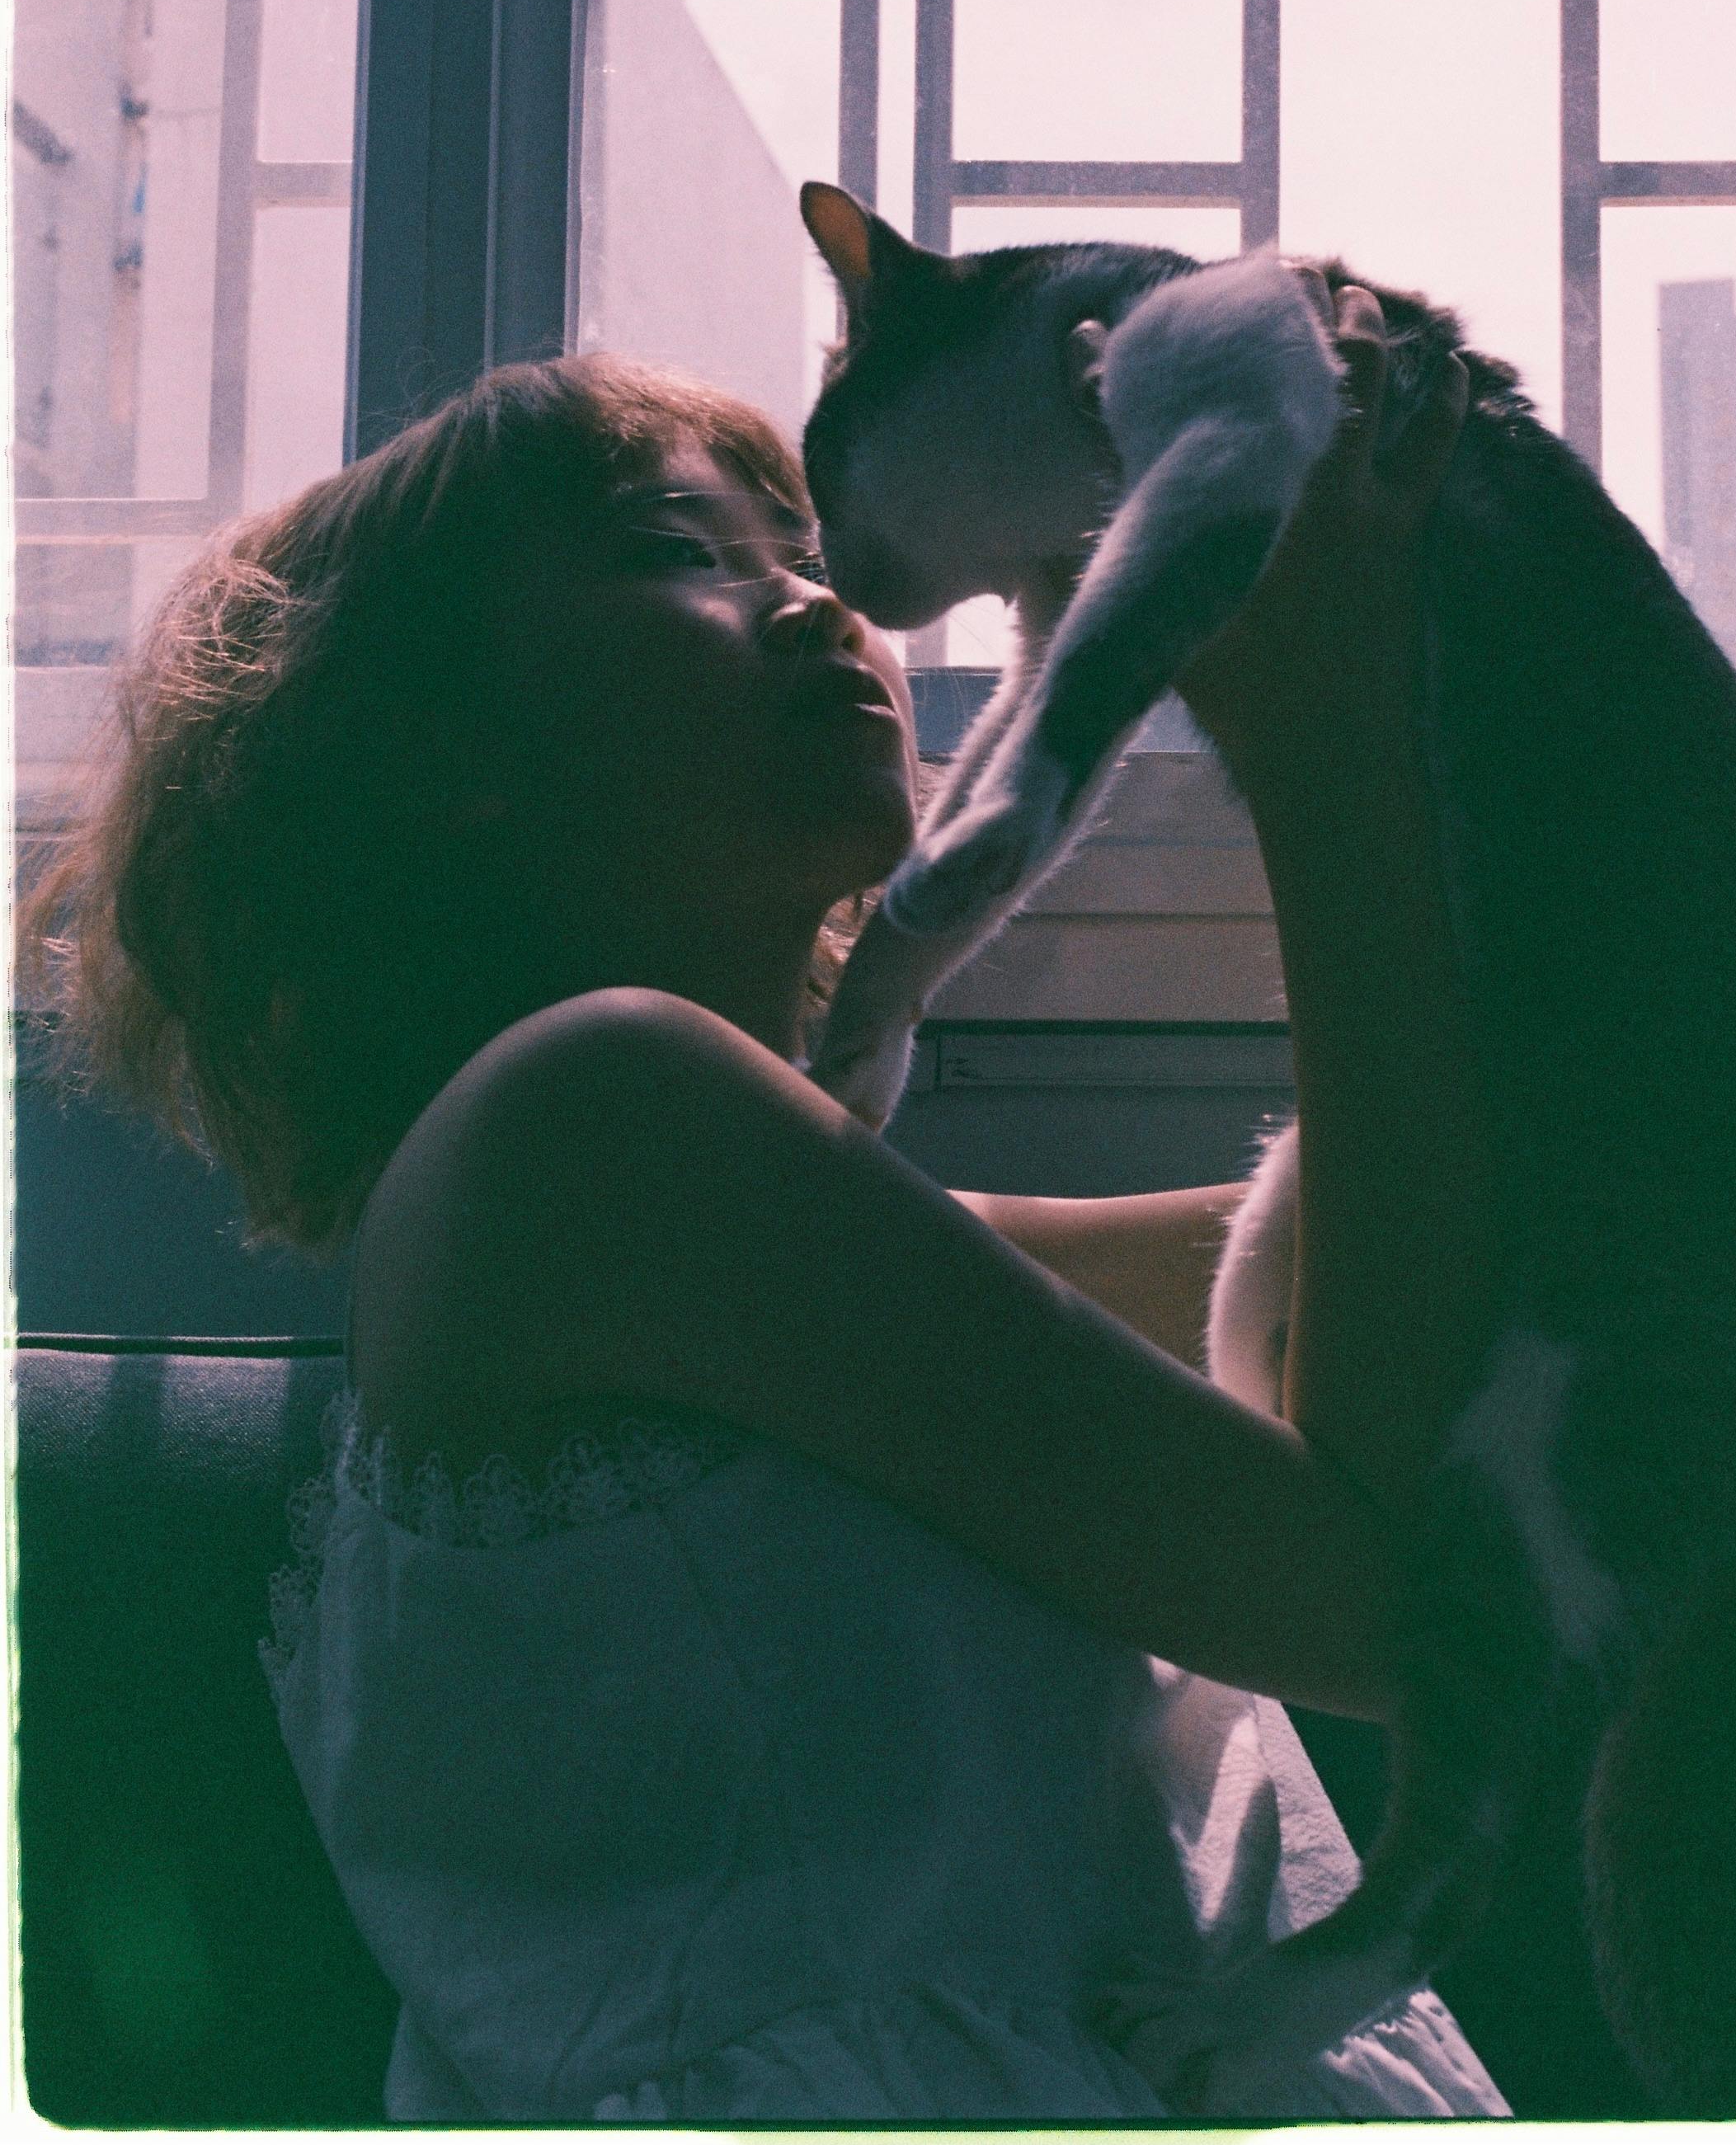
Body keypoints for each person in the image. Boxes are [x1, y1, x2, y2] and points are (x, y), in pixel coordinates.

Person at [22, 295, 1509, 2123]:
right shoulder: (592, 1121)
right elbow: (1382, 1611)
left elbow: (1398, 1258)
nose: (815, 600)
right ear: (444, 750)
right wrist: (1328, 729)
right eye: (678, 550)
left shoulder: (746, 1220)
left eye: (799, 548)